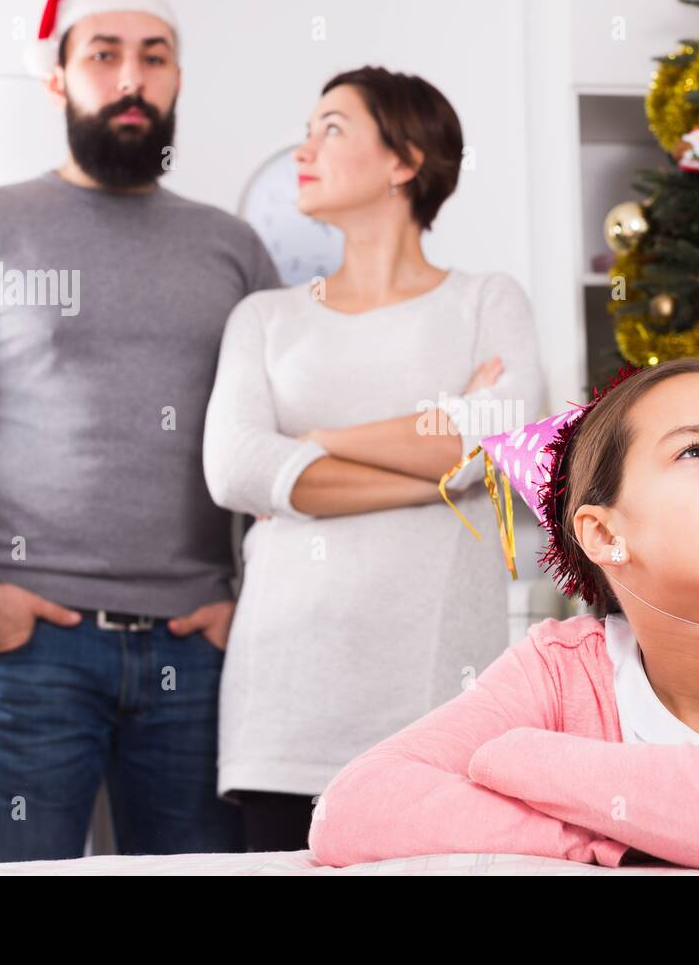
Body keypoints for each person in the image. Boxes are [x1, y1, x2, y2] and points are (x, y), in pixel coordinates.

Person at [0, 0, 277, 863]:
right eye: (104, 54)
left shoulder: (234, 249)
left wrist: (255, 603)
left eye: (154, 56)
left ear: (175, 78)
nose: (131, 78)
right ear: (57, 76)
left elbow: (280, 448)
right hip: (27, 653)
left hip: (198, 657)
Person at [307, 357, 699, 874]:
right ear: (603, 535)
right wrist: (633, 838)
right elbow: (351, 811)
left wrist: (520, 755)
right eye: (694, 451)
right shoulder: (559, 667)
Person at [202, 65, 548, 852]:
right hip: (285, 704)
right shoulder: (265, 317)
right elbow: (234, 469)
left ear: (405, 160)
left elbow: (487, 451)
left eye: (332, 127)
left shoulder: (488, 300)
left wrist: (315, 445)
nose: (304, 147)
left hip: (439, 702)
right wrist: (439, 463)